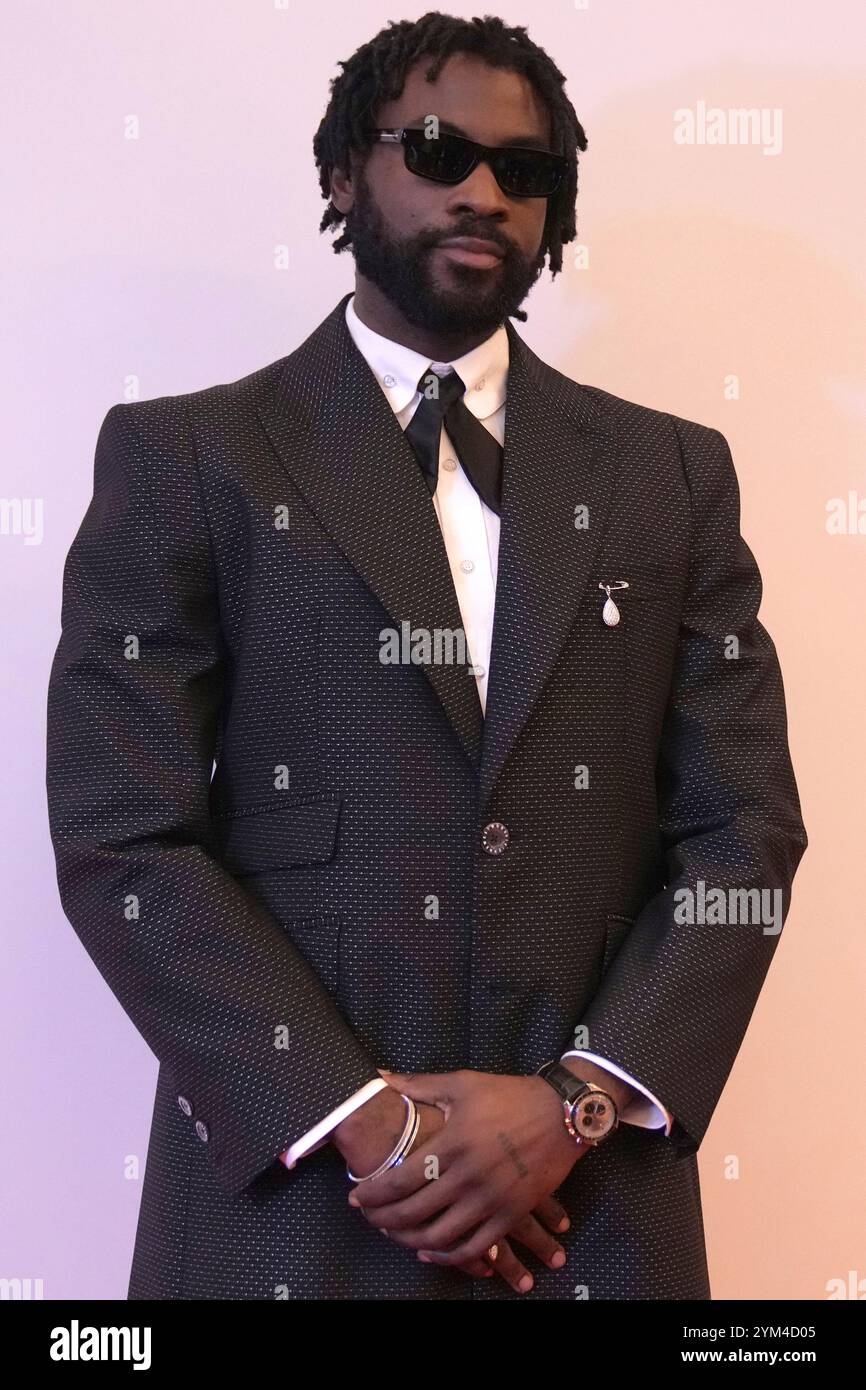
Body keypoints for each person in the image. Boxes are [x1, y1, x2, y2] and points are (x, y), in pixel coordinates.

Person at [46, 11, 807, 1300]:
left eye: (528, 171)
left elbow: (743, 833)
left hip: (593, 1218)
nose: (484, 193)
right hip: (287, 1210)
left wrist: (567, 1110)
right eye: (441, 149)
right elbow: (125, 834)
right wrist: (368, 1120)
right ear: (345, 172)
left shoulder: (668, 475)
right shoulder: (188, 460)